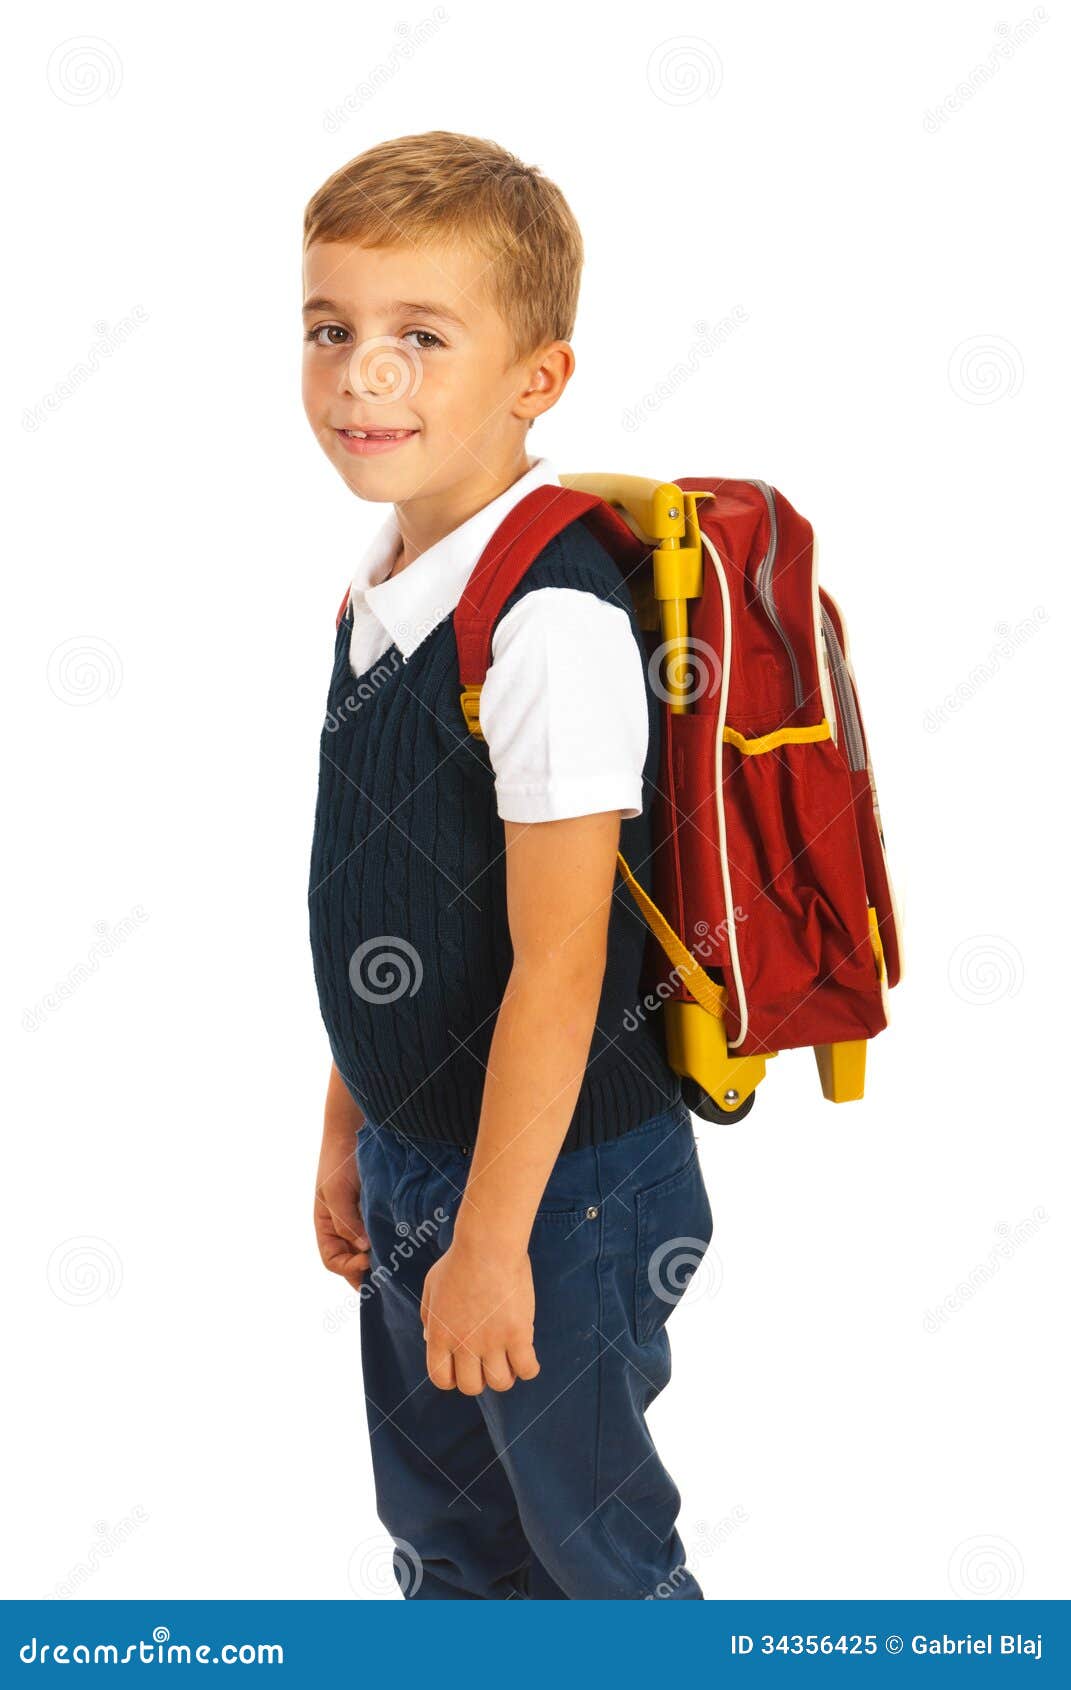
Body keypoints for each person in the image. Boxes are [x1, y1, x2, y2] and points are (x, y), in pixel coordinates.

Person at [304, 131, 713, 1600]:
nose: (365, 375)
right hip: (429, 1160)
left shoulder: (545, 624)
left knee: (592, 1552)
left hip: (562, 1193)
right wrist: (355, 1123)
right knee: (449, 1539)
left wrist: (491, 1240)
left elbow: (564, 960)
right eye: (332, 329)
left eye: (422, 337)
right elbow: (381, 897)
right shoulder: (382, 587)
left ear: (538, 377)